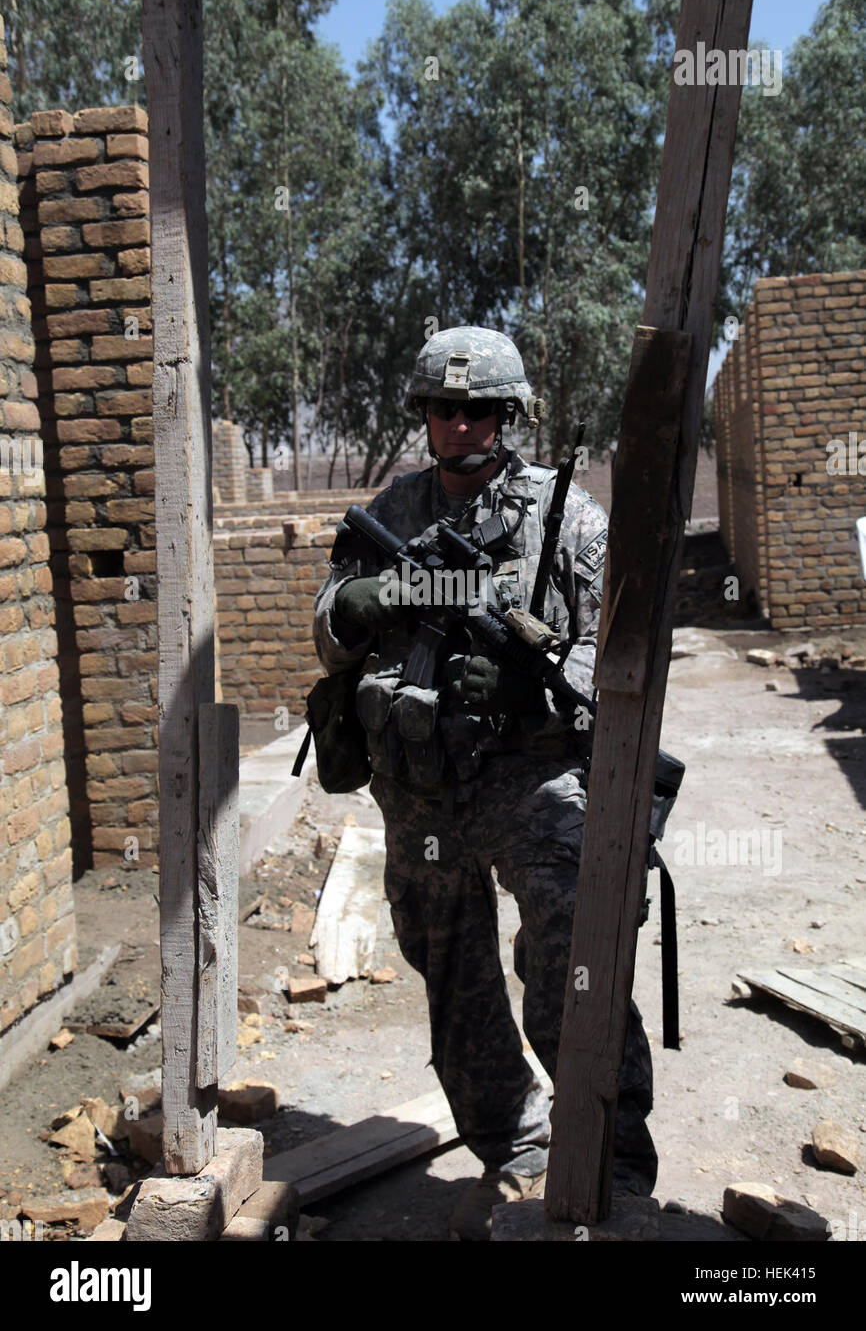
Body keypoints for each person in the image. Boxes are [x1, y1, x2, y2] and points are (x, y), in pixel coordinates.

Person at [312, 326, 656, 1240]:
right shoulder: (395, 509)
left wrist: (533, 688)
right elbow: (331, 630)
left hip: (532, 785)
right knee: (449, 971)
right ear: (424, 416)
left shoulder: (565, 518)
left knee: (568, 959)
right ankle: (514, 1147)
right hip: (420, 791)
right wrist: (358, 605)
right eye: (441, 409)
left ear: (510, 416)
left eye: (478, 411)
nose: (458, 425)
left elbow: (621, 655)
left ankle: (613, 1161)